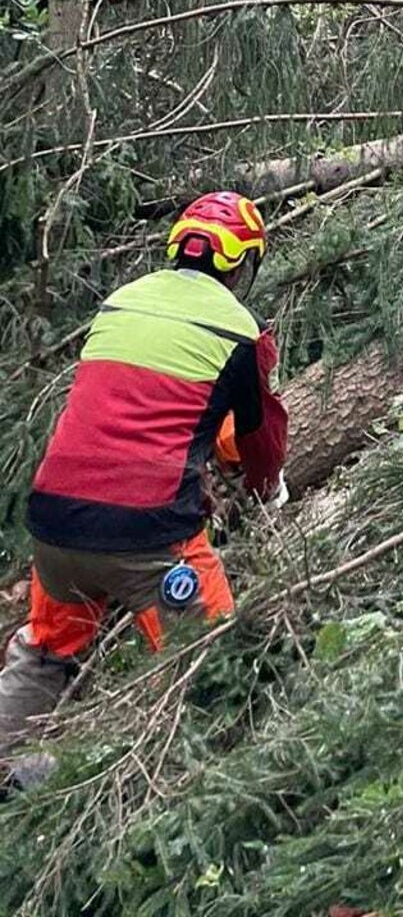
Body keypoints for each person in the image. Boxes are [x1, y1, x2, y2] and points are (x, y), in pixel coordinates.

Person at [0, 192, 288, 755]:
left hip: (55, 517)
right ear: (243, 263)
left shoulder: (122, 303)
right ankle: (190, 783)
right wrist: (265, 490)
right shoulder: (240, 330)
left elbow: (138, 405)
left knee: (43, 653)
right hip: (148, 534)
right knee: (209, 664)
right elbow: (258, 437)